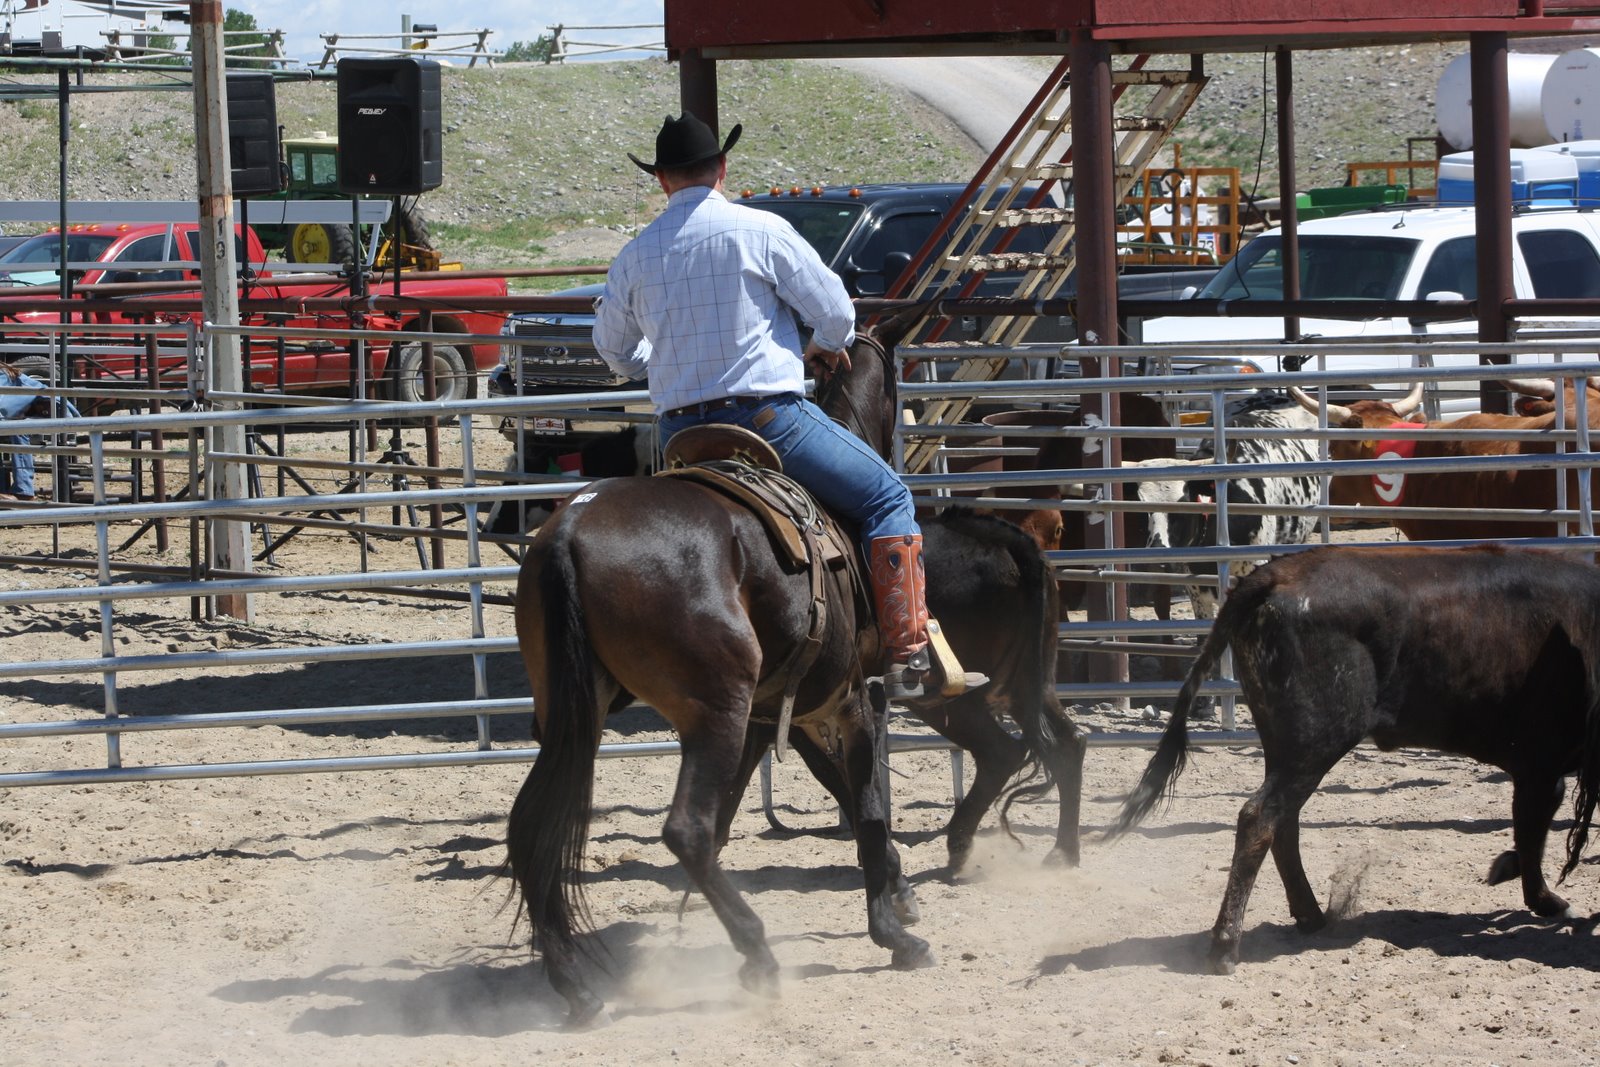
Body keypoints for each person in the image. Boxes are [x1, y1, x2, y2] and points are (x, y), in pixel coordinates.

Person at [592, 112, 938, 700]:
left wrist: (669, 361)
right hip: (767, 422)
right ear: (722, 168)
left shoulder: (635, 254)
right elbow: (837, 315)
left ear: (661, 181)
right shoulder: (760, 231)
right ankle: (907, 652)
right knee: (888, 495)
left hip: (679, 433)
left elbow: (615, 353)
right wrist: (820, 350)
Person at [0, 361, 47, 503]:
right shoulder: (6, 373)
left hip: (45, 410)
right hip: (33, 410)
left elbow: (6, 405)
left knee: (18, 429)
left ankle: (24, 491)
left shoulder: (3, 375)